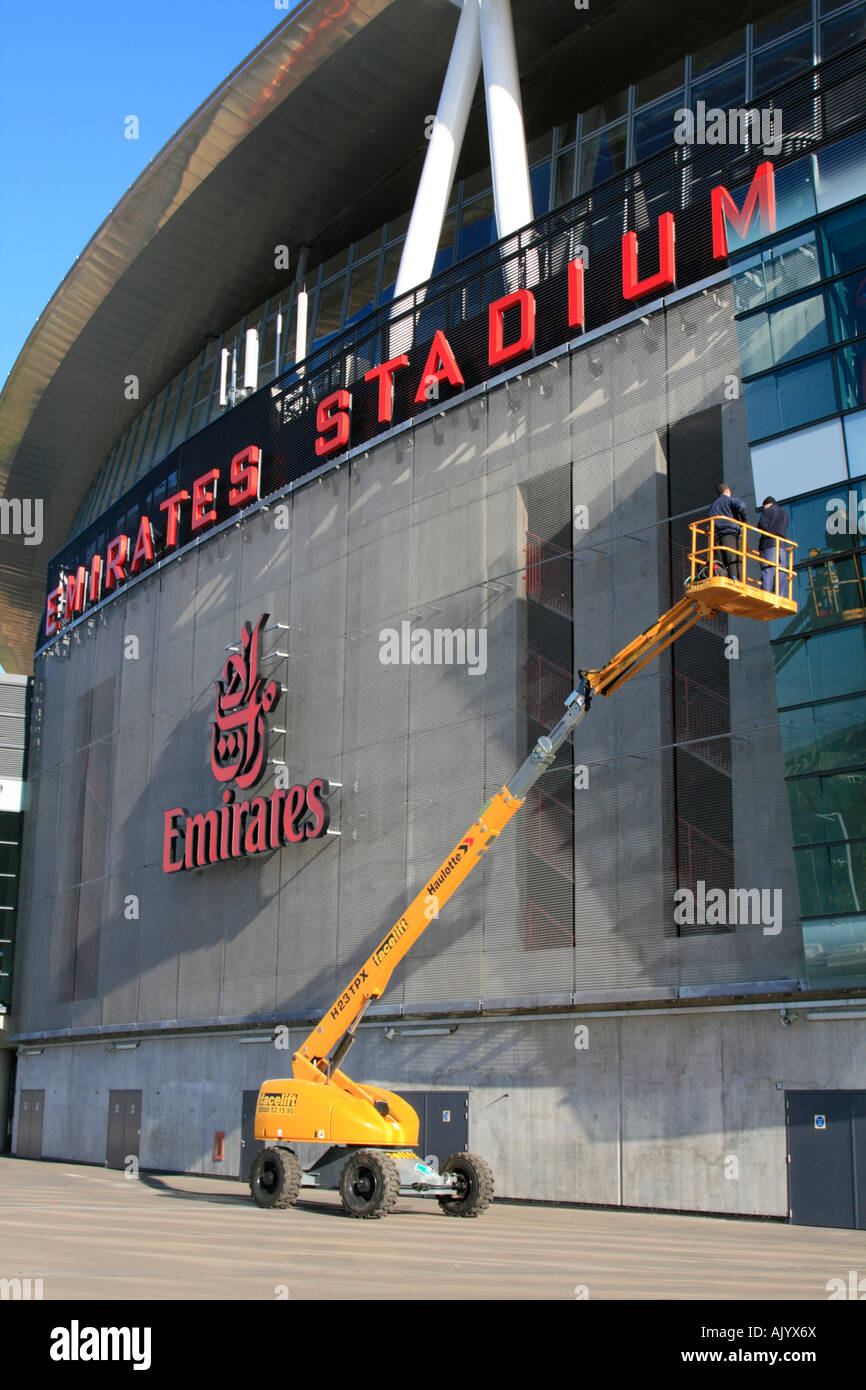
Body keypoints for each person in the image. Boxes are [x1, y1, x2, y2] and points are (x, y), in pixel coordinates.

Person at [707, 483, 748, 581]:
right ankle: (736, 580)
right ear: (728, 491)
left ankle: (723, 578)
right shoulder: (728, 500)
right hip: (728, 533)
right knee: (733, 559)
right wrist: (744, 521)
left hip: (715, 535)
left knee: (720, 561)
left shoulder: (713, 506)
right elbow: (741, 505)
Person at [757, 496, 789, 593]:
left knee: (768, 569)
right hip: (782, 546)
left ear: (766, 504)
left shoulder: (768, 510)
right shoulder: (785, 514)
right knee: (781, 571)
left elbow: (762, 525)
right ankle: (780, 595)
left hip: (769, 544)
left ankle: (766, 594)